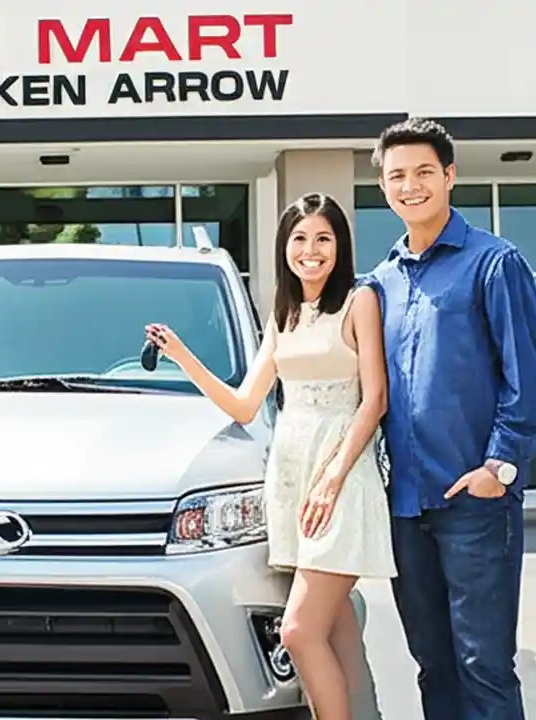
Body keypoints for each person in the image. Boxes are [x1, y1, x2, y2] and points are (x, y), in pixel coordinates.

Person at [146, 192, 394, 720]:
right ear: (284, 248)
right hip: (290, 480)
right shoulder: (283, 314)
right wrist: (181, 353)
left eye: (323, 238)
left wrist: (331, 480)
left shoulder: (360, 301)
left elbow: (374, 400)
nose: (311, 250)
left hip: (340, 479)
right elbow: (243, 404)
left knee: (299, 631)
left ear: (339, 245)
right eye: (299, 239)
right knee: (338, 631)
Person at [365, 117, 536, 720]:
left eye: (423, 172)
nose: (410, 185)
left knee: (484, 667)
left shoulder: (494, 263)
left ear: (449, 176)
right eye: (397, 175)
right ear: (384, 187)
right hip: (407, 508)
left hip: (475, 503)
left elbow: (525, 378)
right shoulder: (383, 281)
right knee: (434, 666)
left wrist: (498, 467)